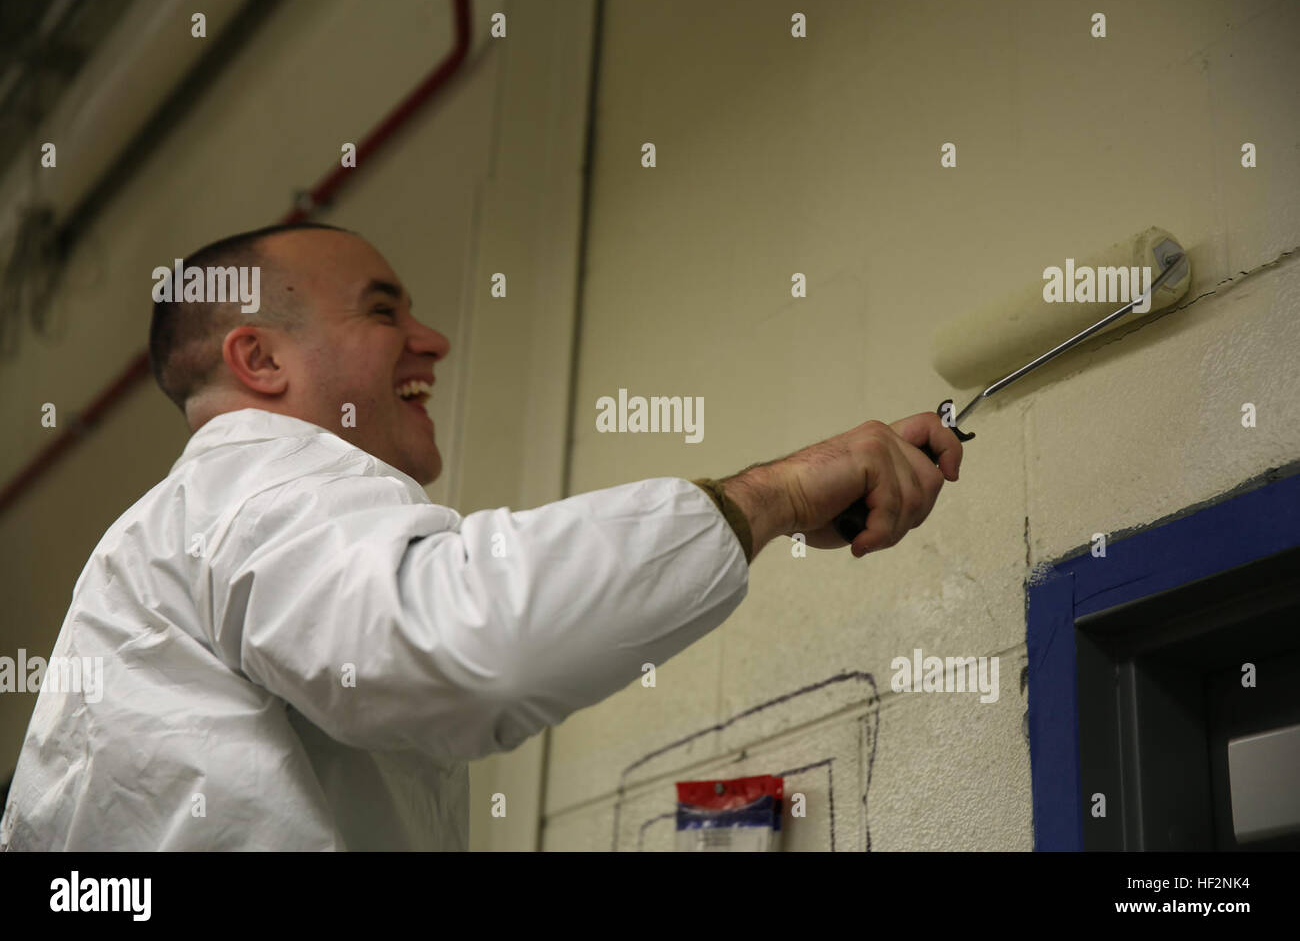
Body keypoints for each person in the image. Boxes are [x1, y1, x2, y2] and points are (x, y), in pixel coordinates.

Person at [0, 222, 962, 850]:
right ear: (258, 358)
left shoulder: (185, 533)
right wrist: (781, 494)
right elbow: (464, 642)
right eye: (384, 311)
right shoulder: (255, 477)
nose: (434, 341)